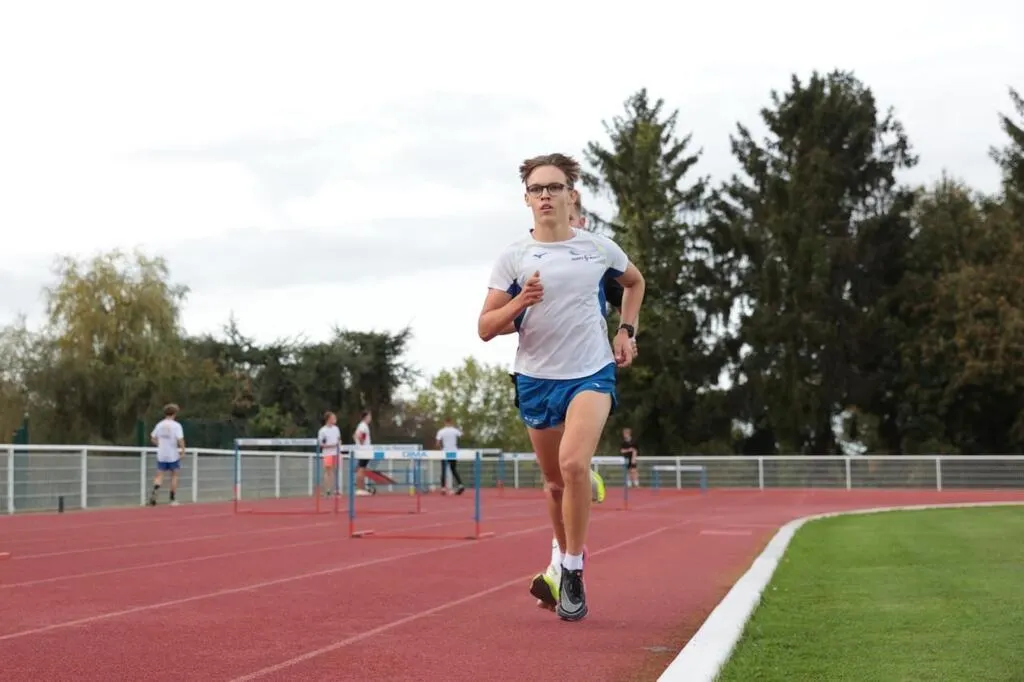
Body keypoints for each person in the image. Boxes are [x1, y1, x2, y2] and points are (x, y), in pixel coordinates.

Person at [478, 152, 646, 621]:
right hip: (535, 378)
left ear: (572, 196)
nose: (546, 195)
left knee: (573, 464)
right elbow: (486, 327)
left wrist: (626, 331)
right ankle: (563, 556)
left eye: (554, 187)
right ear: (526, 199)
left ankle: (571, 568)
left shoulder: (598, 248)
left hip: (591, 371)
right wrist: (521, 302)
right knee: (554, 482)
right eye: (537, 189)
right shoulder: (513, 257)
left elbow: (634, 284)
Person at [148, 403, 185, 507]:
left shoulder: (159, 424)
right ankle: (172, 498)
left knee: (159, 475)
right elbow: (180, 439)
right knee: (175, 475)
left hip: (161, 454)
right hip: (172, 454)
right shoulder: (176, 425)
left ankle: (155, 491)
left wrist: (159, 444)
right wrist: (182, 450)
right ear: (175, 413)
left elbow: (152, 437)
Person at [435, 416, 466, 495]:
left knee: (443, 470)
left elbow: (437, 443)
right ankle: (460, 485)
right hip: (453, 452)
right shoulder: (455, 430)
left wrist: (441, 448)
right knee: (453, 469)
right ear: (451, 422)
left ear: (445, 422)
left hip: (445, 452)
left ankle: (443, 488)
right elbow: (462, 435)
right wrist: (461, 430)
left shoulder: (441, 431)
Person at [318, 411, 342, 495]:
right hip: (328, 453)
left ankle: (337, 489)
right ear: (328, 419)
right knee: (328, 471)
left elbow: (339, 439)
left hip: (336, 453)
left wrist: (339, 446)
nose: (335, 419)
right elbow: (321, 444)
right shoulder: (322, 430)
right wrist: (332, 445)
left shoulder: (336, 428)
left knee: (336, 470)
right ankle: (327, 489)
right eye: (333, 418)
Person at [352, 410, 373, 496]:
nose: (370, 418)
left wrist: (358, 443)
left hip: (363, 450)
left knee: (361, 469)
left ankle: (362, 489)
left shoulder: (360, 425)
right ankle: (359, 489)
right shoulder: (363, 426)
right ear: (366, 417)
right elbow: (360, 436)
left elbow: (354, 435)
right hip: (364, 451)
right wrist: (361, 443)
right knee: (361, 469)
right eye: (370, 416)